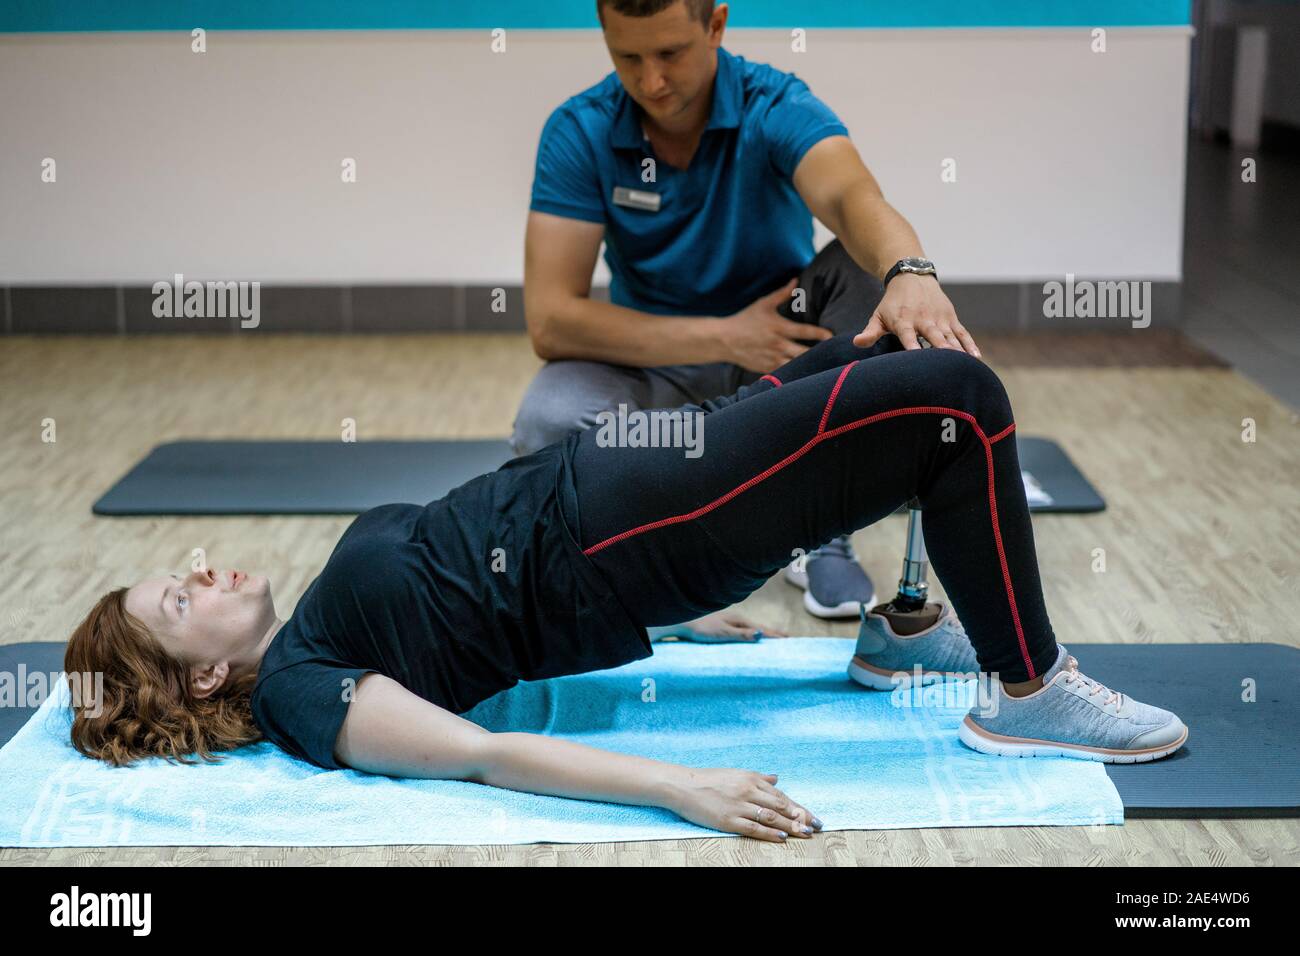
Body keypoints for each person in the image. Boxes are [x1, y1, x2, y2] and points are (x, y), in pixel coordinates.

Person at [66, 331, 1188, 844]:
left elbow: (471, 616)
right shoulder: (302, 694)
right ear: (205, 669)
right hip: (624, 525)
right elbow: (479, 750)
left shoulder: (312, 623)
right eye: (182, 595)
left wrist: (694, 621)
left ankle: (898, 637)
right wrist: (675, 786)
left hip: (619, 494)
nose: (205, 567)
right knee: (952, 400)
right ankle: (1029, 690)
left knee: (861, 355)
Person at [515, 0, 979, 619]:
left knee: (856, 265)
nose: (651, 81)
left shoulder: (773, 103)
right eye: (628, 57)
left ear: (715, 26)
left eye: (670, 54)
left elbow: (850, 197)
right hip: (653, 363)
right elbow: (551, 320)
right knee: (548, 420)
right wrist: (727, 337)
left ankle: (819, 530)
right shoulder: (581, 129)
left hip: (786, 360)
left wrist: (910, 271)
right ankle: (625, 553)